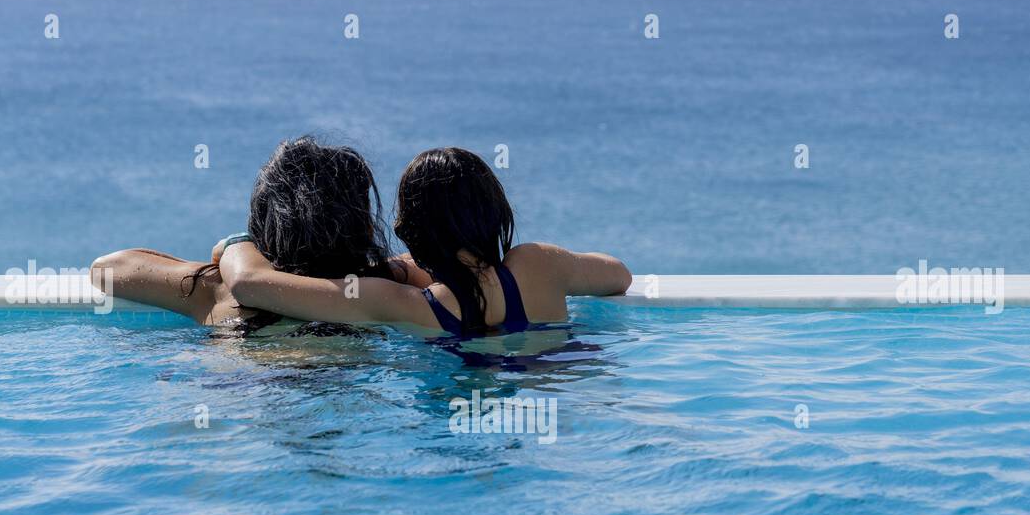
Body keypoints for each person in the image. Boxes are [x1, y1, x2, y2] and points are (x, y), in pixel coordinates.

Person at [217, 147, 631, 336]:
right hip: (563, 377)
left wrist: (239, 241)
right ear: (496, 212)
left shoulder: (405, 304)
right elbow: (620, 276)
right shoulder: (542, 265)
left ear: (410, 232)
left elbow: (248, 284)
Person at [90, 137, 405, 328]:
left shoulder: (218, 290)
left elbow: (107, 269)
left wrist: (237, 245)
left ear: (264, 226)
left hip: (239, 391)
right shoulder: (380, 292)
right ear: (361, 227)